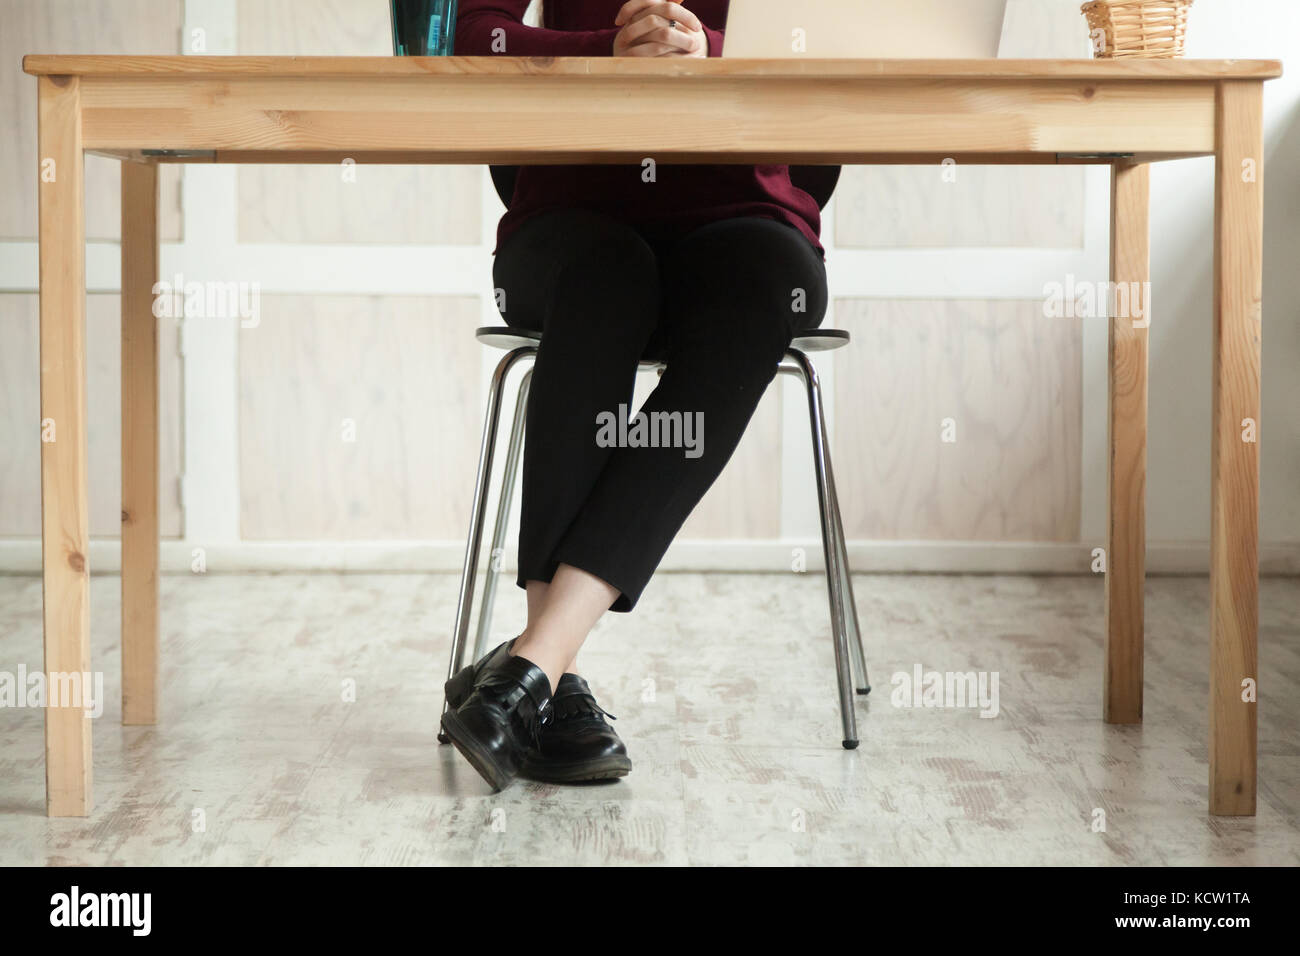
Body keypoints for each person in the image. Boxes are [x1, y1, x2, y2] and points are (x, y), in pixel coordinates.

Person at [441, 0, 828, 790]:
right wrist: (608, 49)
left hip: (742, 216)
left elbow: (836, 50)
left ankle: (535, 666)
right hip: (570, 222)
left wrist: (704, 50)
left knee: (764, 287)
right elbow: (472, 31)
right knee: (608, 279)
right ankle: (551, 673)